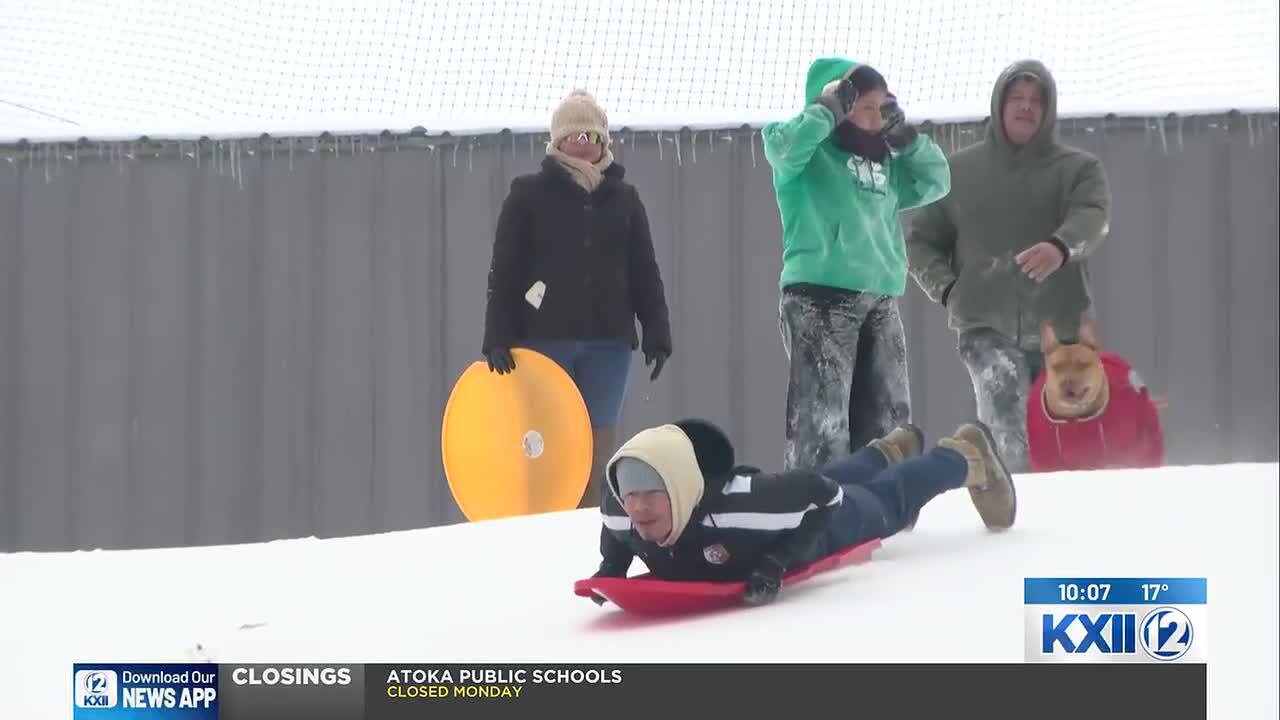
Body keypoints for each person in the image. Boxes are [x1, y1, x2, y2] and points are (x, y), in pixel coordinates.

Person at [905, 59, 1112, 472]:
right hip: (985, 325)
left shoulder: (1078, 169)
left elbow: (1094, 215)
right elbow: (920, 241)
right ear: (1000, 105)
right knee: (1004, 412)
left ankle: (1078, 514)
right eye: (1016, 98)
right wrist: (948, 289)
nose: (1025, 107)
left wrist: (1061, 246)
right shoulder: (956, 172)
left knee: (1068, 428)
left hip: (1062, 326)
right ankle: (1015, 505)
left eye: (1036, 101)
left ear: (1048, 110)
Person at [587, 418, 1015, 606]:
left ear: (679, 488)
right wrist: (612, 564)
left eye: (651, 493)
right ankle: (885, 451)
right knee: (810, 483)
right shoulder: (620, 510)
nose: (638, 507)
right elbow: (614, 525)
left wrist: (777, 561)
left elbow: (824, 497)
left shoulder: (744, 508)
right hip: (791, 501)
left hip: (821, 527)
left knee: (887, 501)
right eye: (630, 494)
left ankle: (964, 455)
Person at [481, 89, 673, 508]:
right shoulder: (528, 194)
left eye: (592, 134)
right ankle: (539, 522)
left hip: (609, 344)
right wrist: (497, 336)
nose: (584, 141)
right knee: (546, 441)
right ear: (557, 141)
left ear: (605, 142)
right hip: (544, 341)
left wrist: (656, 329)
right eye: (574, 133)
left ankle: (587, 527)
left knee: (595, 445)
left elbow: (645, 268)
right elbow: (505, 268)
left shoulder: (625, 199)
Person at [762, 57, 952, 472]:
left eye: (882, 107)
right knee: (822, 420)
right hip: (819, 298)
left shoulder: (887, 164)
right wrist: (824, 110)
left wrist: (906, 138)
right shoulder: (805, 156)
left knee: (888, 414)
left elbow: (937, 180)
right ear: (835, 103)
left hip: (880, 298)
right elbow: (783, 147)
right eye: (863, 104)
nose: (875, 115)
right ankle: (819, 504)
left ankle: (886, 499)